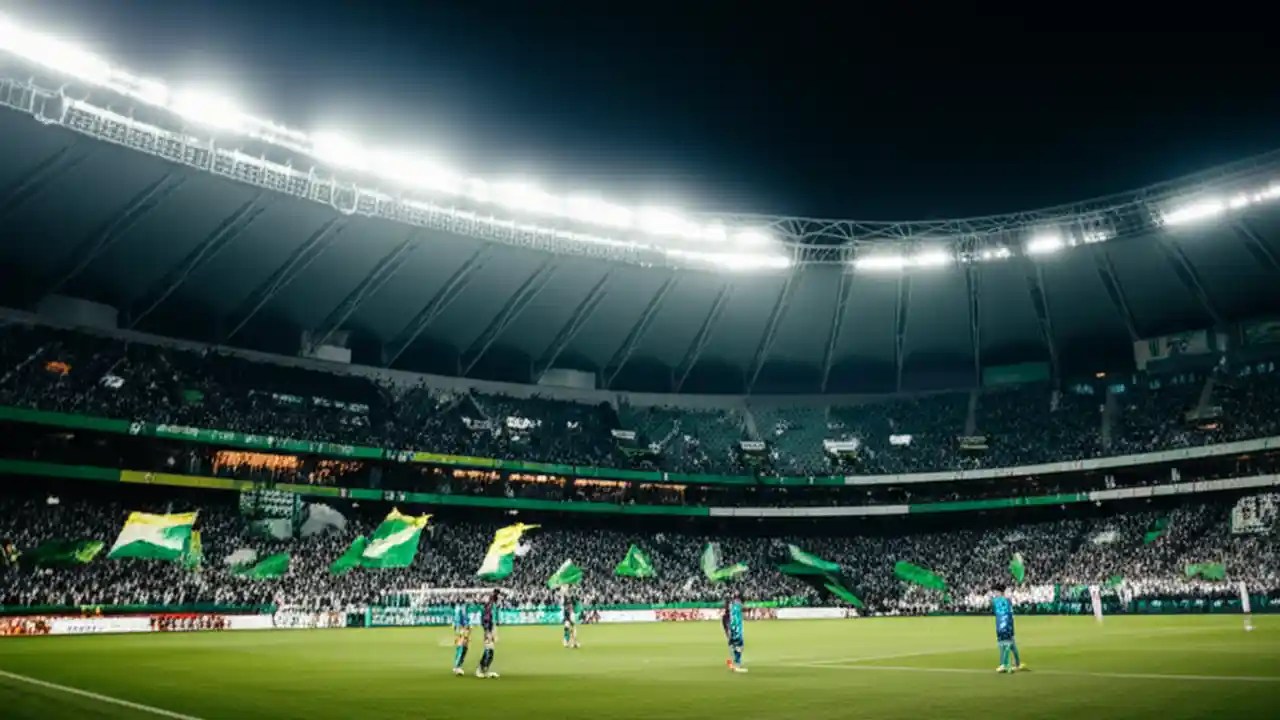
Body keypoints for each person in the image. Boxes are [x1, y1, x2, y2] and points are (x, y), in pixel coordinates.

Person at [992, 585, 1024, 673]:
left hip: (1002, 624)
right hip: (1009, 623)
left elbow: (996, 610)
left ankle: (1004, 665)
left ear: (999, 592)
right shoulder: (1008, 600)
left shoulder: (997, 601)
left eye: (995, 592)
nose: (994, 594)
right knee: (1012, 644)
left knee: (1003, 645)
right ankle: (1017, 664)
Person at [477, 590, 500, 679]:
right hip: (489, 630)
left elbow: (493, 620)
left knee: (490, 650)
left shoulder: (493, 606)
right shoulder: (490, 607)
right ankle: (480, 669)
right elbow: (486, 620)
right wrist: (488, 632)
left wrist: (495, 632)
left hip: (492, 630)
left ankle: (485, 670)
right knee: (489, 650)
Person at [724, 593, 747, 673]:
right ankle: (737, 665)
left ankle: (732, 662)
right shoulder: (737, 606)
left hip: (732, 629)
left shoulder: (732, 606)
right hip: (736, 630)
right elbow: (743, 609)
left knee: (734, 646)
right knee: (739, 647)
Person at [451, 602, 471, 676]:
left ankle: (458, 666)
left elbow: (465, 620)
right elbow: (458, 621)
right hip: (461, 629)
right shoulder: (459, 609)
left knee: (464, 648)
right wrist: (460, 629)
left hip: (464, 629)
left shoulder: (463, 608)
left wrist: (468, 627)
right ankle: (457, 666)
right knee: (461, 647)